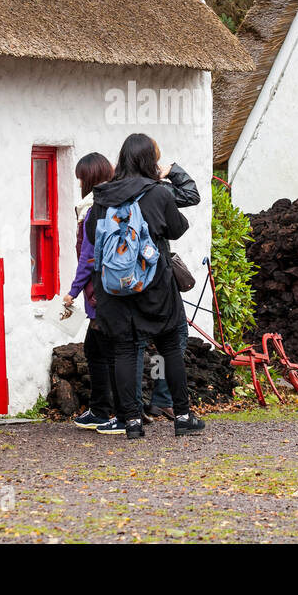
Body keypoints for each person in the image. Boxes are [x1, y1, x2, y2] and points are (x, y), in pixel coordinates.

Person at [86, 133, 205, 439]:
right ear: (150, 161)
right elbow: (177, 230)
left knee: (125, 350)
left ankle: (131, 422)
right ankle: (182, 416)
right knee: (169, 349)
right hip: (156, 285)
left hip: (114, 287)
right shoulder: (159, 193)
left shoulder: (102, 195)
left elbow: (90, 233)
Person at [136, 153, 199, 422]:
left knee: (134, 343)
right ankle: (164, 401)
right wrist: (173, 170)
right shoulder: (159, 190)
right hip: (158, 272)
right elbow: (191, 195)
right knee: (176, 337)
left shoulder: (116, 190)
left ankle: (134, 409)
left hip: (127, 275)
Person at [61, 153, 117, 430]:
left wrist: (73, 292)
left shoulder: (92, 211)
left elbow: (87, 257)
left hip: (99, 292)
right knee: (100, 350)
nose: (80, 183)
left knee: (102, 352)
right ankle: (105, 409)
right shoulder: (112, 205)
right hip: (110, 290)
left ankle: (111, 411)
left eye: (82, 178)